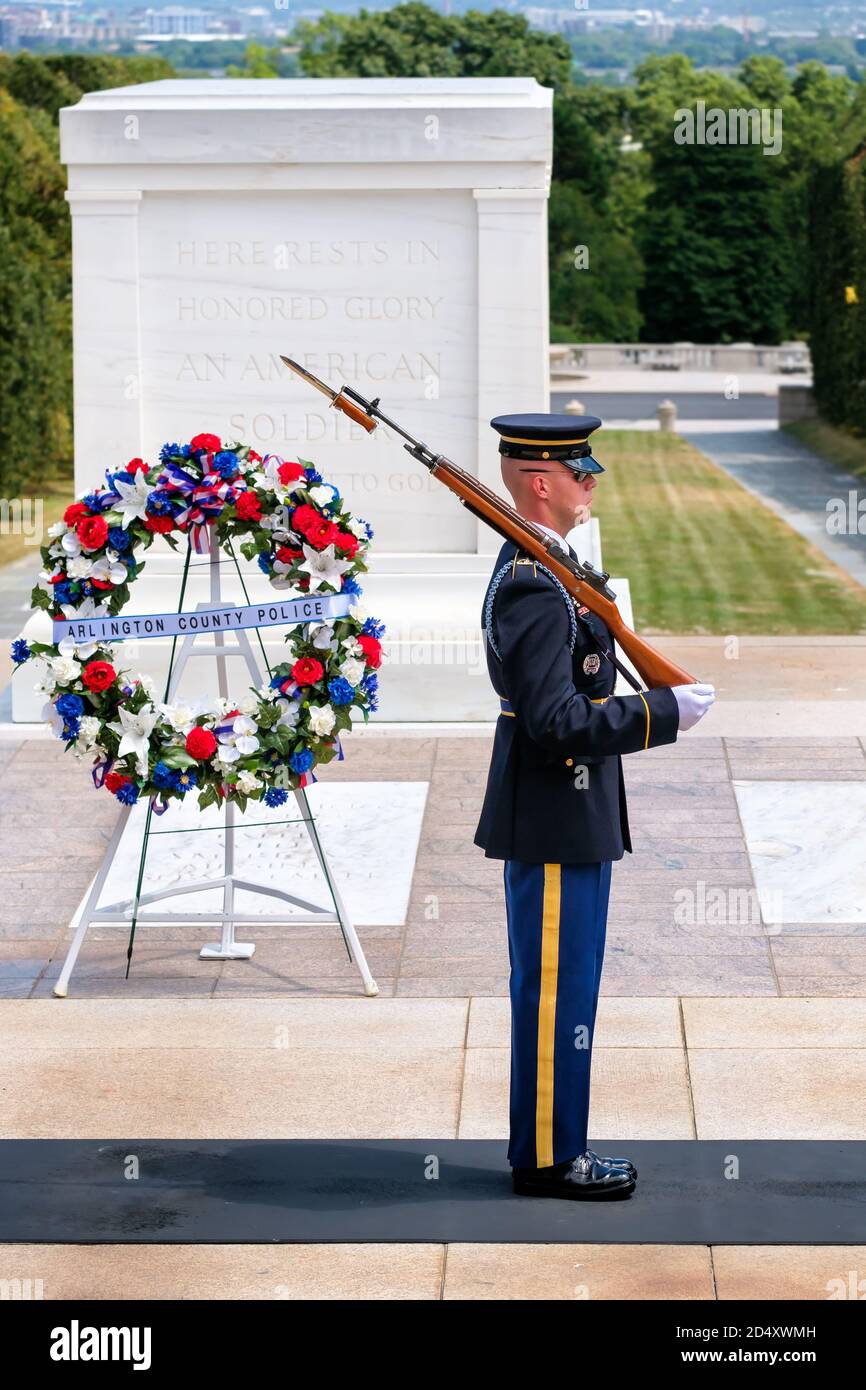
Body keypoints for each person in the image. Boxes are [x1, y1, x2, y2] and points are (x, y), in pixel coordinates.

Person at [474, 412, 715, 1200]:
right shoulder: (533, 587)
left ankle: (554, 1145)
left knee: (568, 984)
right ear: (541, 483)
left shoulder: (550, 570)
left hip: (567, 814)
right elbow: (554, 721)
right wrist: (661, 712)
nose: (592, 483)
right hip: (552, 815)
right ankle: (548, 1160)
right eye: (581, 473)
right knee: (555, 992)